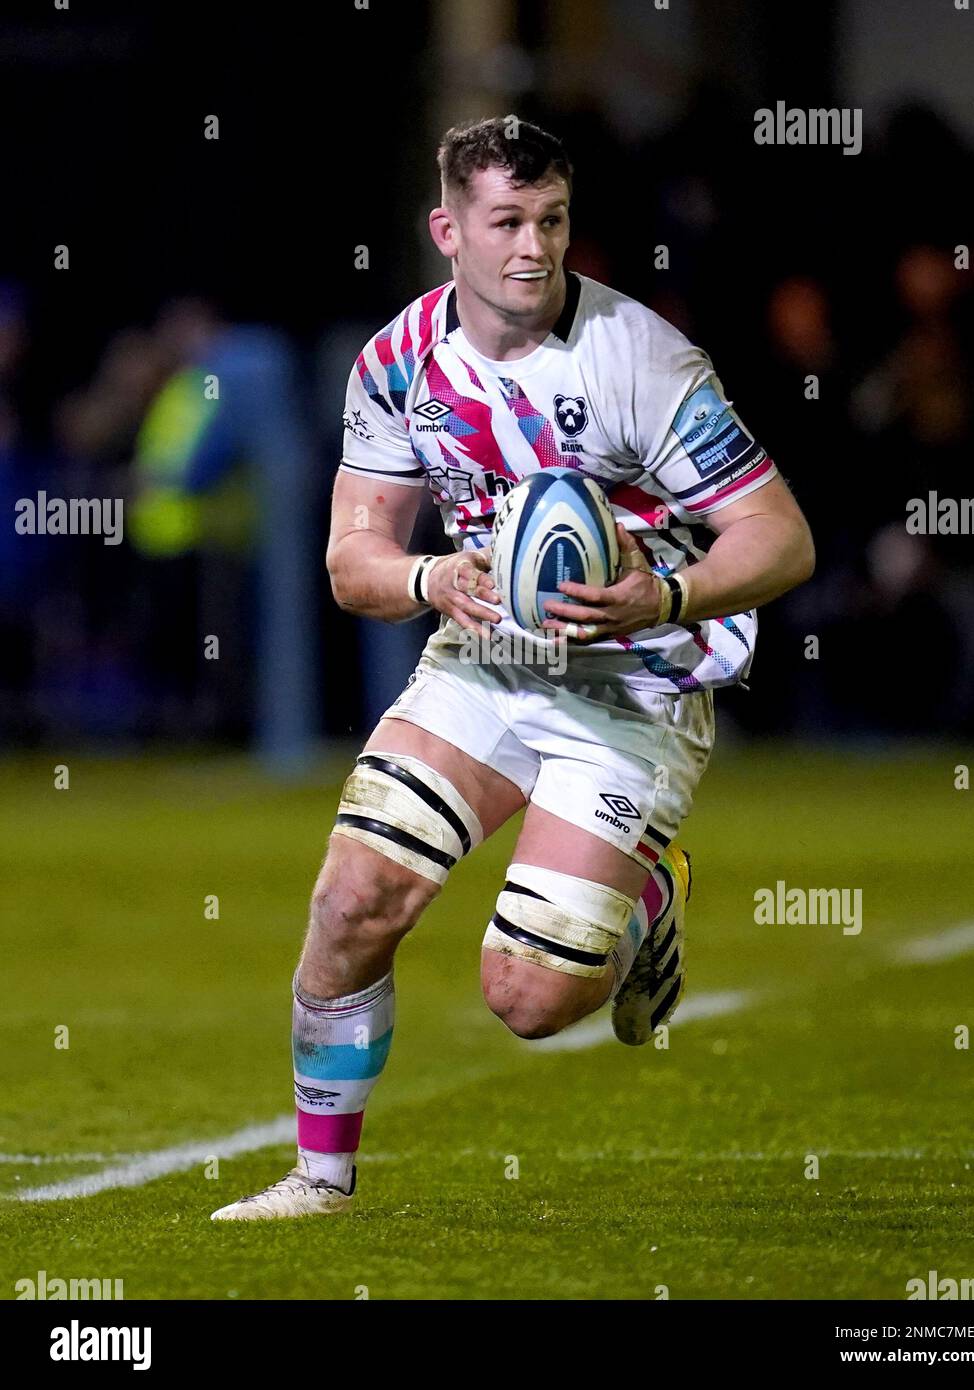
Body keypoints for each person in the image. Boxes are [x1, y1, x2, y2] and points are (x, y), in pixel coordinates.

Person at [212, 116, 814, 1221]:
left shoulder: (642, 357)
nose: (534, 248)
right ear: (447, 229)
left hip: (635, 684)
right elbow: (353, 557)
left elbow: (779, 537)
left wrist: (664, 592)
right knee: (352, 899)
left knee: (527, 999)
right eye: (505, 222)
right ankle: (320, 1178)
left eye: (551, 221)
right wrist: (429, 580)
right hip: (482, 662)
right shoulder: (397, 361)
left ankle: (645, 894)